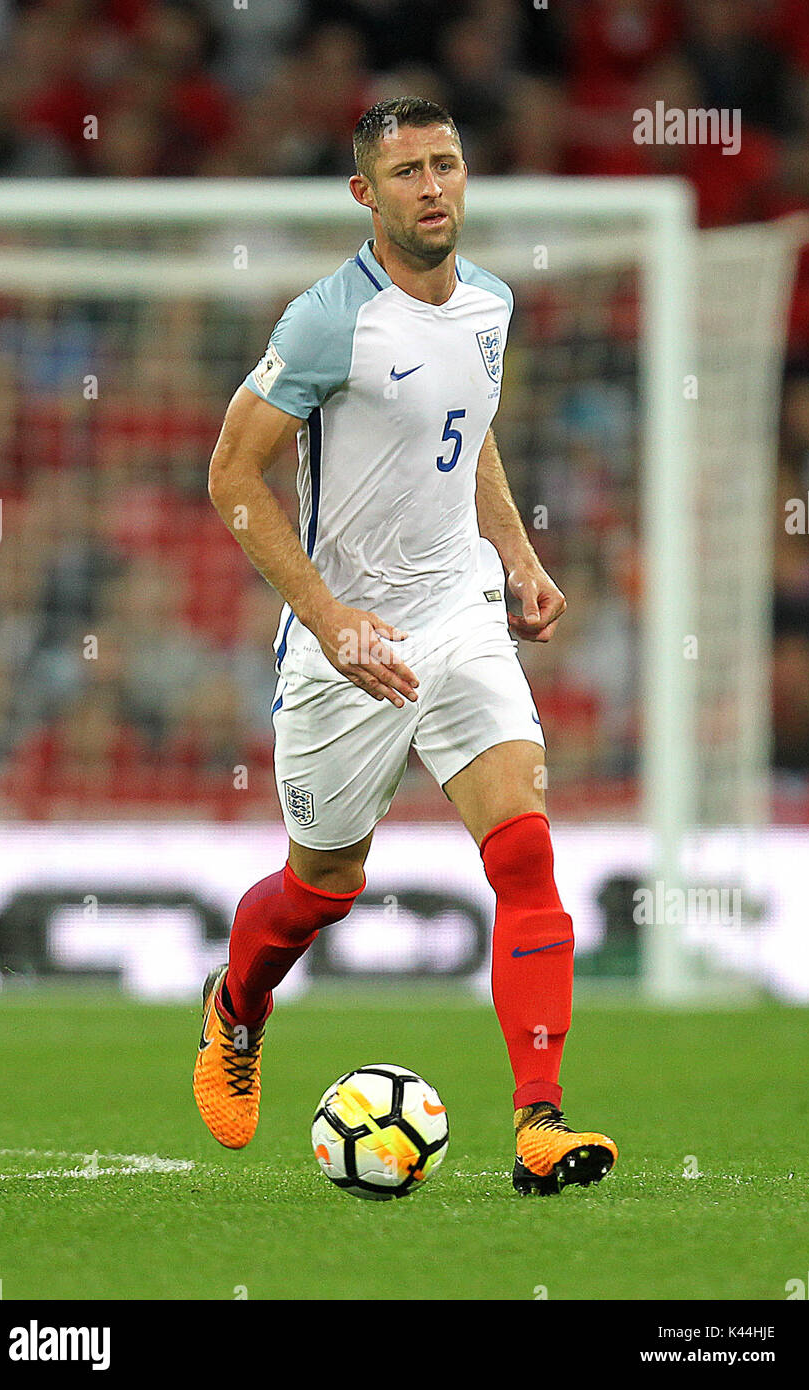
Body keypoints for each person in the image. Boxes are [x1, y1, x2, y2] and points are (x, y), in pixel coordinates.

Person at [193, 97, 617, 1196]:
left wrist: (515, 554)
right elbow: (230, 475)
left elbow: (464, 434)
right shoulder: (326, 321)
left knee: (523, 851)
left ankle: (537, 1120)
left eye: (447, 163)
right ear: (364, 195)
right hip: (348, 640)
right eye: (407, 171)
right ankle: (236, 1008)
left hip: (457, 610)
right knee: (323, 885)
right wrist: (332, 620)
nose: (433, 186)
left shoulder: (490, 301)